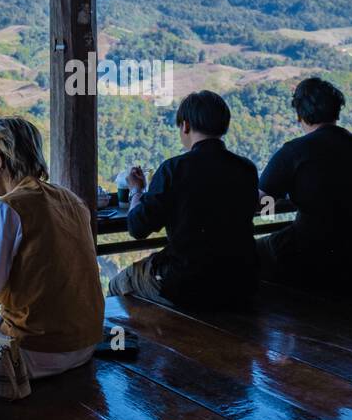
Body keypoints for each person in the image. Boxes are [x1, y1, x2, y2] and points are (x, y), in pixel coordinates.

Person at [0, 117, 104, 382]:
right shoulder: (71, 200)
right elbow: (34, 226)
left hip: (37, 352)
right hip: (86, 343)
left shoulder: (7, 209)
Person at [109, 90, 259, 308]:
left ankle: (123, 342)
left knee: (119, 284)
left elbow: (137, 227)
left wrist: (136, 191)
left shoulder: (174, 169)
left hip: (187, 283)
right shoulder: (246, 168)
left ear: (186, 125)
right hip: (241, 282)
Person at [256, 78, 352, 291]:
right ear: (337, 111)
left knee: (253, 251)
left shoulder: (295, 151)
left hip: (316, 254)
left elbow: (261, 199)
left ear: (299, 114)